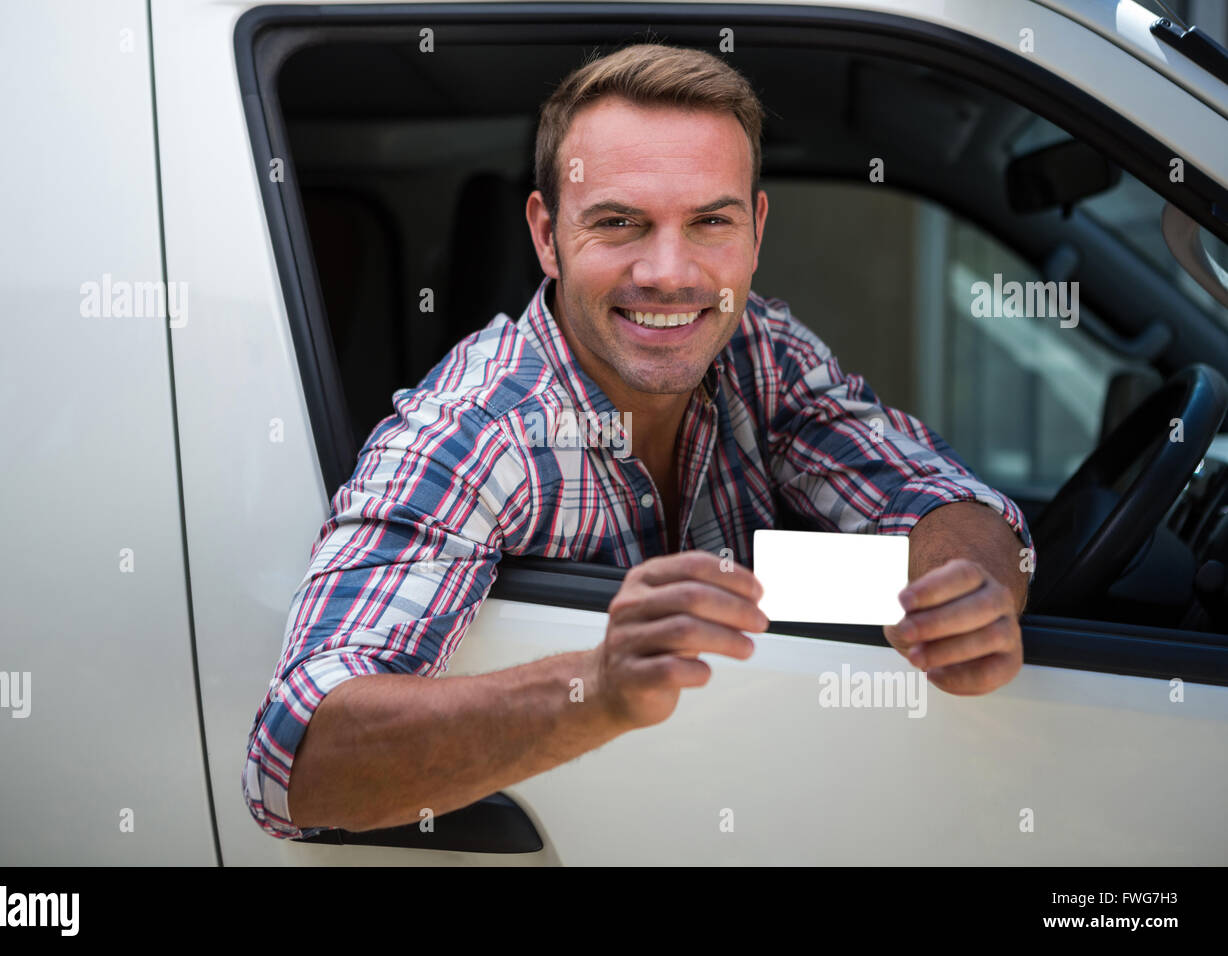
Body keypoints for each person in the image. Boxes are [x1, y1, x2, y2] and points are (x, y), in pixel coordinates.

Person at [243, 42, 1034, 839]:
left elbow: (924, 490)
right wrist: (598, 682)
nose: (668, 272)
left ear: (755, 231)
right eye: (620, 222)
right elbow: (297, 765)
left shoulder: (757, 346)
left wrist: (969, 586)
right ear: (548, 236)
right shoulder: (473, 432)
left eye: (710, 222)